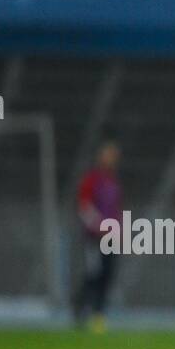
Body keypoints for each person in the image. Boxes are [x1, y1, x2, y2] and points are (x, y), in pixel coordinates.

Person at [74, 139, 122, 331]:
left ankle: (98, 314)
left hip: (111, 238)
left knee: (107, 275)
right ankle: (80, 308)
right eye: (108, 155)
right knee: (93, 273)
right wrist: (99, 226)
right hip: (95, 238)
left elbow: (115, 210)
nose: (111, 160)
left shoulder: (113, 182)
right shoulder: (92, 180)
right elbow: (85, 207)